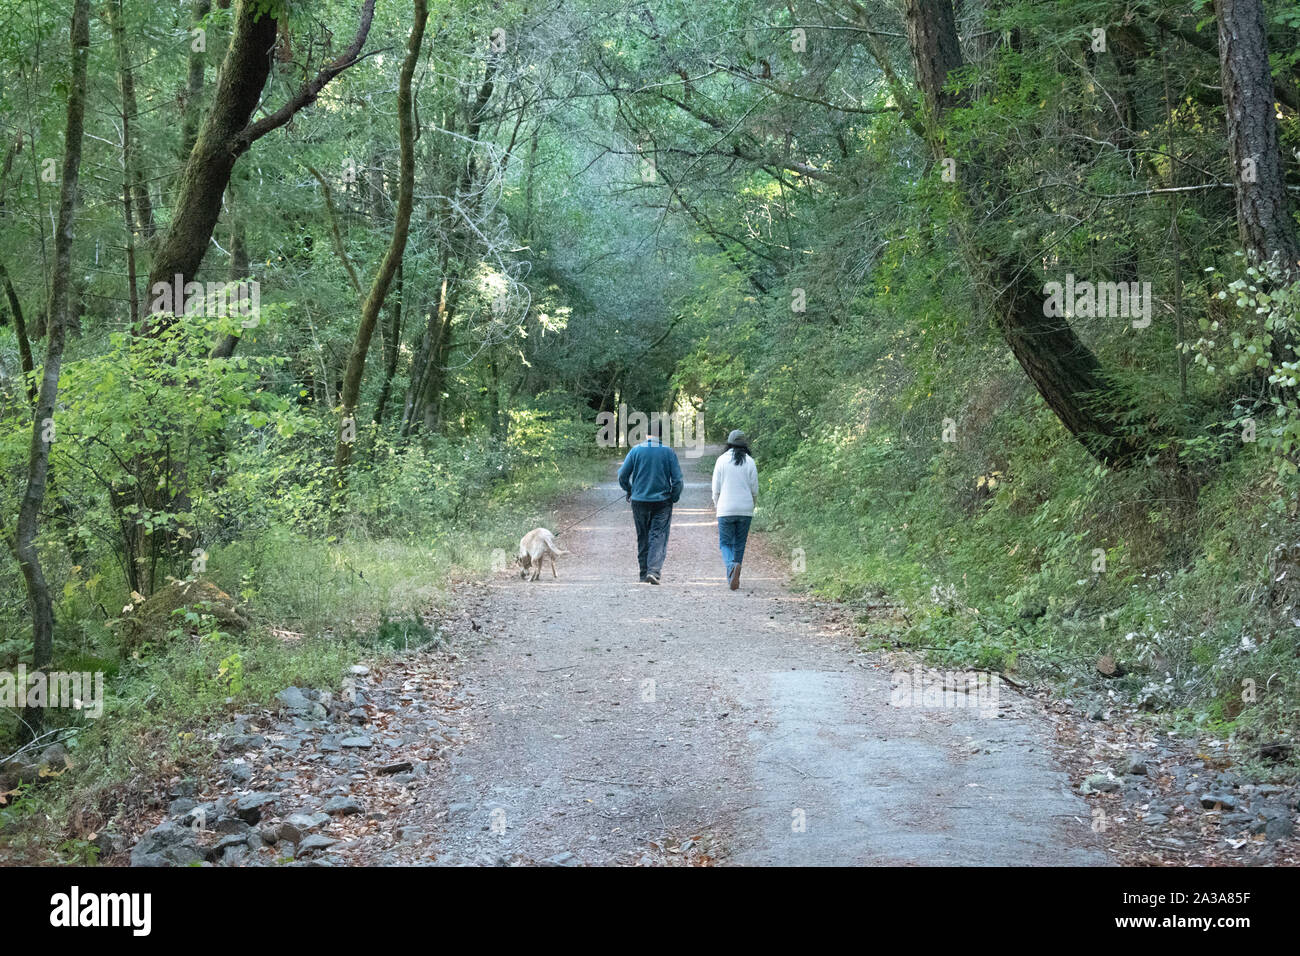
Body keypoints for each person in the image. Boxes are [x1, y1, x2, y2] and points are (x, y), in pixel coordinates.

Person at [617, 418, 683, 584]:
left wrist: (629, 489)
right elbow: (678, 481)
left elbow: (622, 475)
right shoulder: (668, 452)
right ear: (661, 435)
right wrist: (674, 496)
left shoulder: (636, 451)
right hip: (662, 502)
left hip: (639, 501)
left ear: (646, 434)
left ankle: (643, 573)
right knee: (658, 535)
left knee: (643, 536)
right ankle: (653, 571)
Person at [712, 429, 758, 590]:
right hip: (745, 508)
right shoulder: (750, 461)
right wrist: (752, 505)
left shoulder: (721, 461)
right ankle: (734, 573)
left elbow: (716, 489)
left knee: (725, 543)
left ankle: (731, 567)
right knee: (740, 543)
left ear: (729, 443)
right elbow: (754, 490)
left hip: (725, 508)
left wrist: (717, 505)